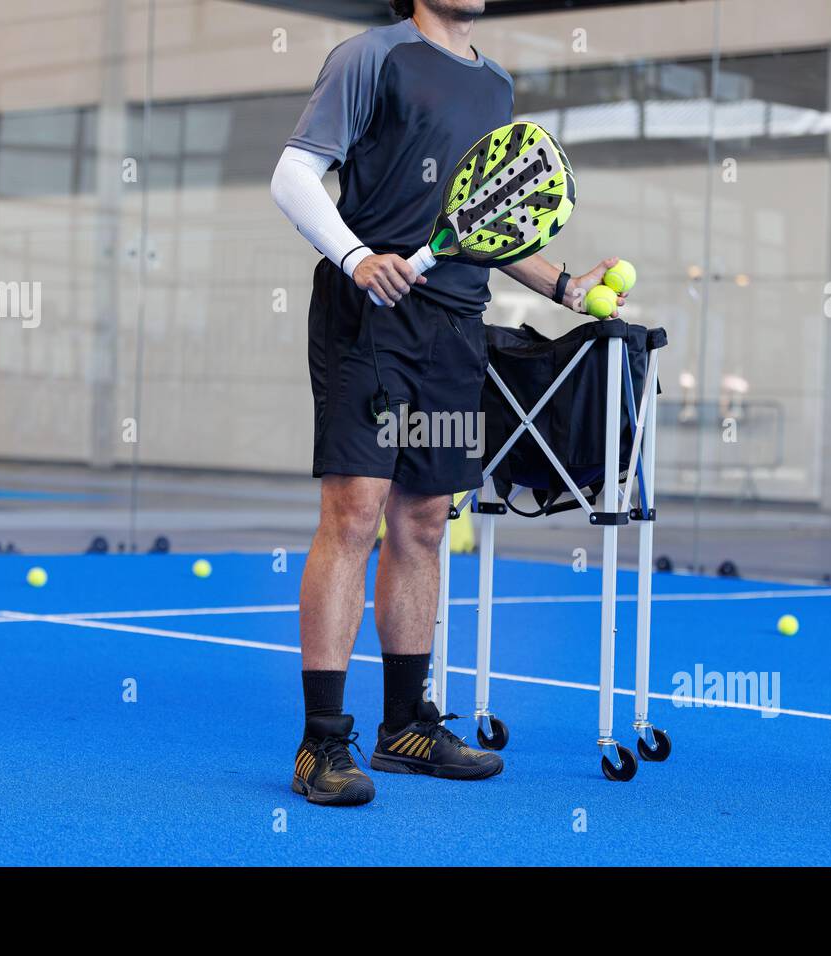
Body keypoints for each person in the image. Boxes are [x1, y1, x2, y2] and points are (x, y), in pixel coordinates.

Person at [270, 0, 631, 806]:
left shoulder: (496, 86)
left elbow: (491, 225)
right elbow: (292, 173)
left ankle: (406, 726)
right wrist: (358, 257)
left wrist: (567, 286)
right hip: (367, 319)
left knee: (426, 523)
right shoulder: (371, 57)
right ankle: (320, 744)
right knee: (354, 516)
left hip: (454, 331)